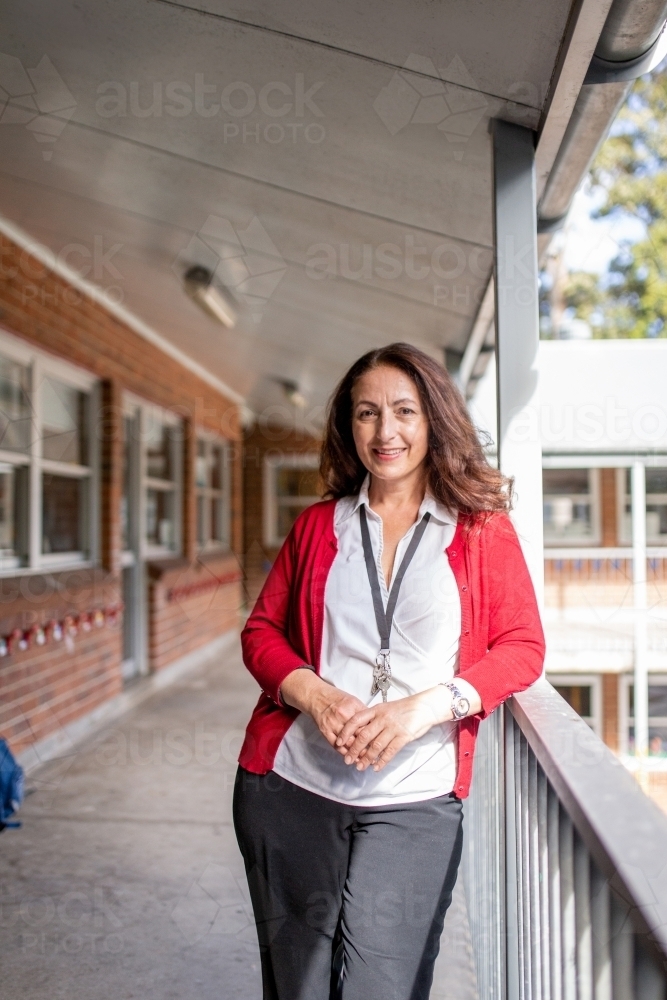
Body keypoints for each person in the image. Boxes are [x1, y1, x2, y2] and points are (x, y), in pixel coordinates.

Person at [234, 342, 545, 1000]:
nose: (386, 431)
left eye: (404, 411)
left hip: (414, 795)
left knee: (383, 985)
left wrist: (422, 708)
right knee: (299, 987)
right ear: (349, 427)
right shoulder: (321, 526)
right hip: (292, 787)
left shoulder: (480, 529)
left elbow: (521, 646)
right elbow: (260, 633)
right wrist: (315, 696)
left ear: (433, 420)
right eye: (366, 413)